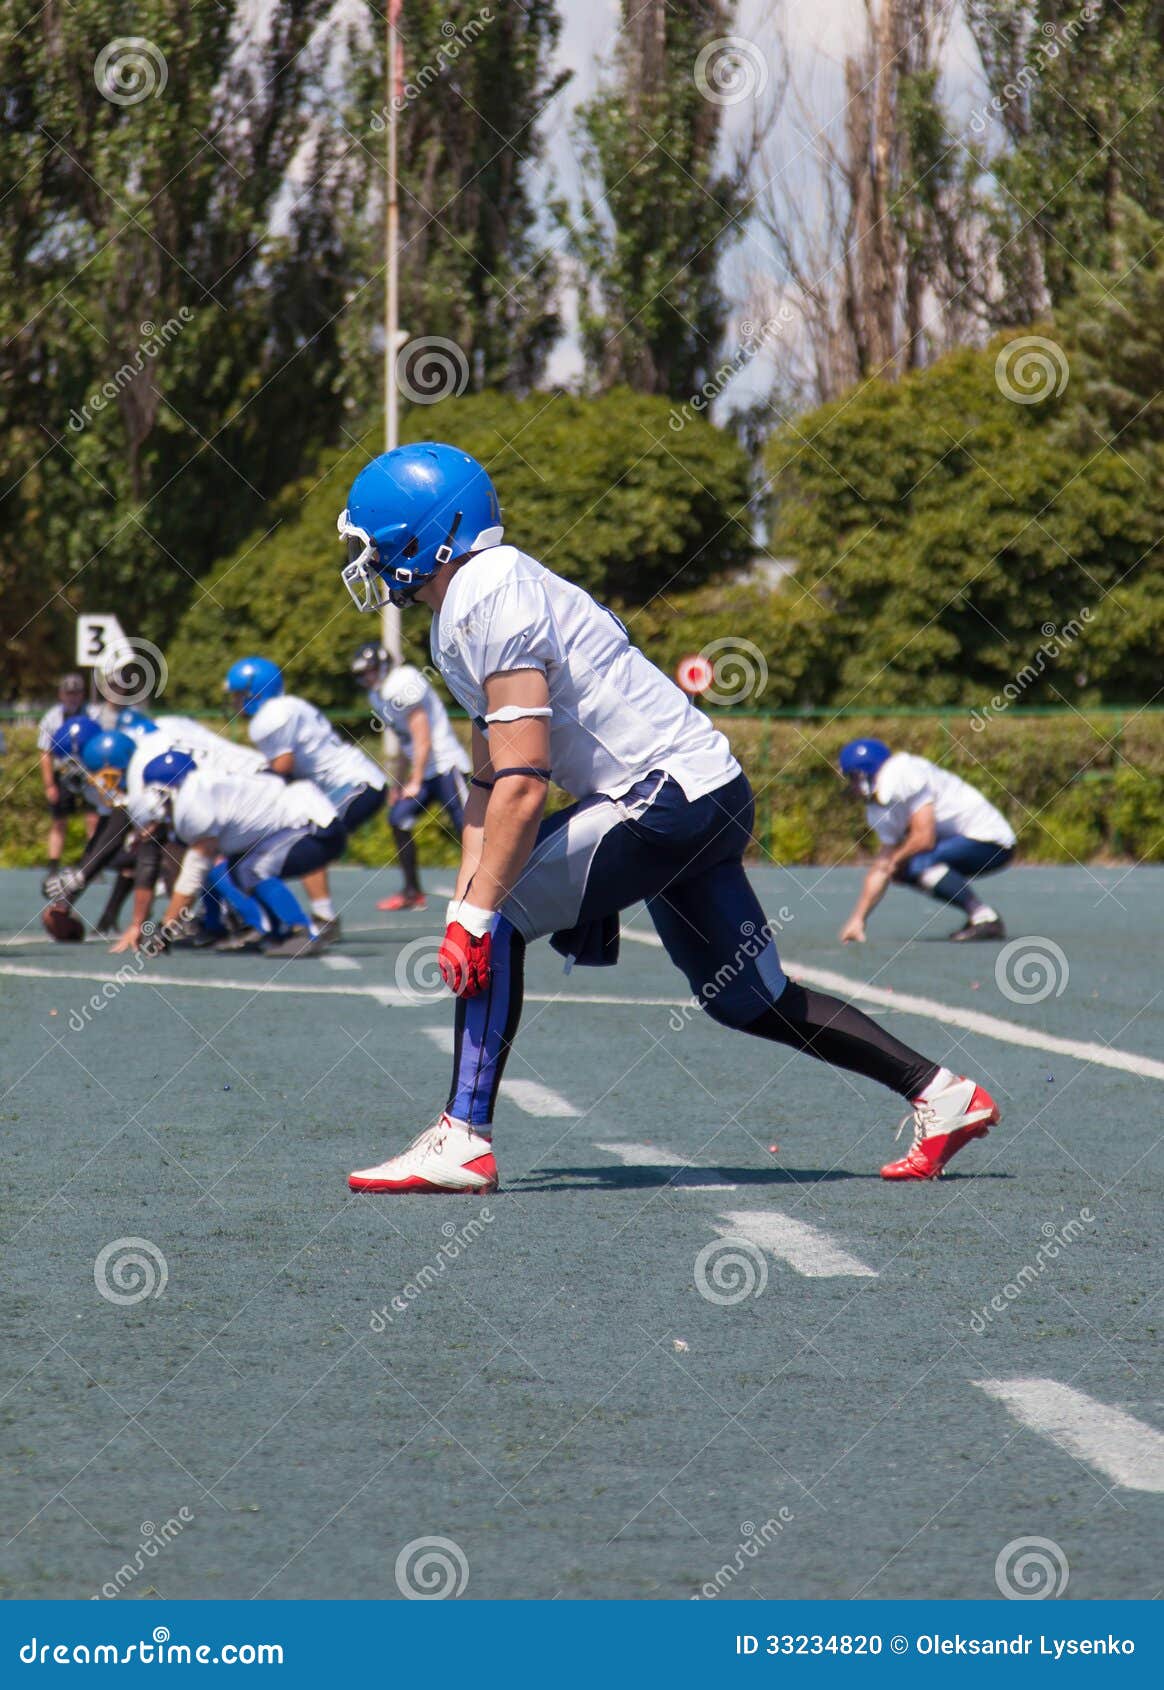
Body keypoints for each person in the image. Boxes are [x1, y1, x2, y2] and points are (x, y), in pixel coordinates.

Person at [336, 442, 1003, 1189]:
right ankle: (942, 1093)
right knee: (750, 999)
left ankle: (463, 1134)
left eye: (370, 539)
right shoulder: (469, 606)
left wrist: (480, 911)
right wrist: (463, 900)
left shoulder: (488, 590)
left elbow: (525, 782)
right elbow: (488, 781)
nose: (363, 558)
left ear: (421, 534)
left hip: (664, 797)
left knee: (507, 908)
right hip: (702, 792)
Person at [225, 657, 387, 941]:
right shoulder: (289, 705)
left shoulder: (270, 716)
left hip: (353, 784)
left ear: (255, 692)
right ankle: (320, 915)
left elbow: (283, 766)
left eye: (239, 694)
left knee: (309, 832)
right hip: (354, 781)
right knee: (306, 830)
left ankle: (321, 917)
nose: (236, 702)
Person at [143, 750, 346, 957]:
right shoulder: (204, 786)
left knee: (254, 868)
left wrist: (167, 925)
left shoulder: (192, 804)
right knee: (239, 869)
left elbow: (195, 872)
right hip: (305, 820)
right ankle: (279, 932)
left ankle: (302, 932)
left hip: (312, 824)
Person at [836, 740, 1016, 945]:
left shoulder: (905, 774)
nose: (851, 785)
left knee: (917, 864)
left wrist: (894, 860)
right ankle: (980, 915)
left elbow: (924, 838)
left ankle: (985, 917)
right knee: (902, 868)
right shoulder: (879, 806)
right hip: (964, 841)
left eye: (852, 777)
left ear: (865, 774)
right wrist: (858, 919)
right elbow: (882, 867)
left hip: (992, 840)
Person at [351, 640, 469, 911]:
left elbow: (421, 734)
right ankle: (412, 891)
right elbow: (406, 743)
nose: (368, 677)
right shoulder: (378, 697)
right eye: (363, 674)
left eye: (370, 670)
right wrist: (399, 782)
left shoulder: (401, 681)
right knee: (398, 819)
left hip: (445, 766)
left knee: (469, 829)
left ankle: (495, 888)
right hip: (423, 772)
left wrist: (414, 780)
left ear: (382, 665)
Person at [36, 674, 101, 870]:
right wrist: (49, 785)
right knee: (59, 821)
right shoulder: (52, 718)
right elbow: (44, 753)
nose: (72, 697)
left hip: (89, 772)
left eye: (76, 693)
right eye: (68, 693)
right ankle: (53, 865)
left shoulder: (94, 714)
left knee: (93, 818)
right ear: (61, 694)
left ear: (82, 695)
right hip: (63, 773)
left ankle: (92, 864)